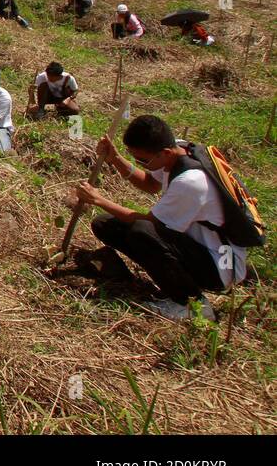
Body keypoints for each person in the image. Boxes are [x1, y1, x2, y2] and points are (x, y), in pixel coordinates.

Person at [74, 114, 250, 321]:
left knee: (142, 232)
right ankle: (170, 277)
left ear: (165, 153)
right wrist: (116, 159)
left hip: (220, 265)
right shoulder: (177, 150)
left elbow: (150, 224)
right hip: (198, 248)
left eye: (143, 160)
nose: (141, 164)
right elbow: (150, 184)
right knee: (105, 224)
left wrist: (99, 200)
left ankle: (190, 303)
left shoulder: (190, 182)